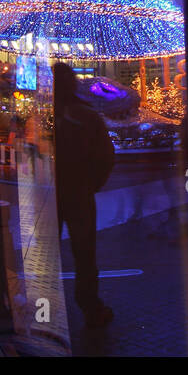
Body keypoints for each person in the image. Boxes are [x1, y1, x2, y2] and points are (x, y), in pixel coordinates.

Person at [52, 62, 116, 327]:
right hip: (78, 192)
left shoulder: (43, 116)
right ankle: (90, 305)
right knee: (85, 252)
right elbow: (106, 156)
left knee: (45, 253)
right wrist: (90, 185)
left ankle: (43, 306)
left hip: (49, 194)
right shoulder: (87, 116)